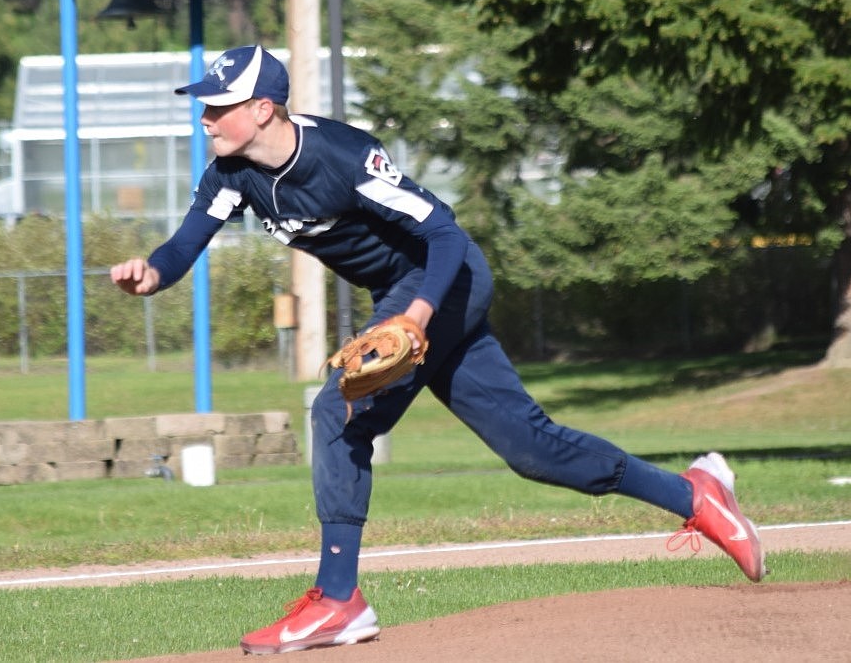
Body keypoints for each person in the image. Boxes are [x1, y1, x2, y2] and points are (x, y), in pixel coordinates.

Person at [110, 45, 765, 656]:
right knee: (533, 451)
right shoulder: (232, 174)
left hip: (441, 283)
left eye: (218, 106)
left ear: (261, 110)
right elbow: (184, 245)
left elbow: (445, 235)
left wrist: (417, 319)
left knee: (334, 415)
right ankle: (695, 493)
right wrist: (152, 272)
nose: (205, 117)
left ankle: (338, 598)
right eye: (204, 105)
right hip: (399, 299)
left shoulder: (340, 156)